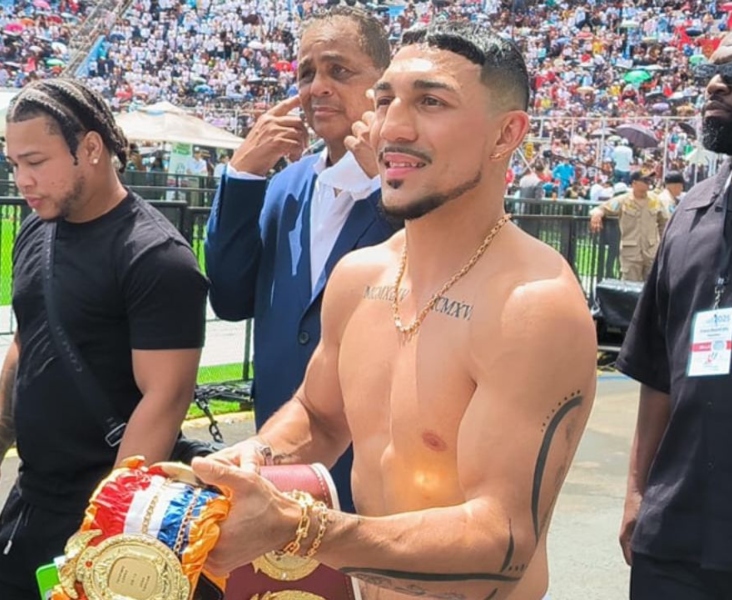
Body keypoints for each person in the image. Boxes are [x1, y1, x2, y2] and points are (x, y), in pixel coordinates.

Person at [194, 23, 597, 600]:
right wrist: (243, 464)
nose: (393, 127)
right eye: (385, 101)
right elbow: (321, 416)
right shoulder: (361, 277)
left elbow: (502, 538)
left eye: (430, 102)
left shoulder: (531, 305)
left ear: (506, 133)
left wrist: (299, 529)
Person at [0, 78, 208, 599]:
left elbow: (166, 398)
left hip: (108, 513)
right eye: (13, 165)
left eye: (35, 162)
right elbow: (25, 346)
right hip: (31, 500)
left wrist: (104, 538)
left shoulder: (157, 256)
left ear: (90, 148)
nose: (23, 180)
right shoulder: (35, 230)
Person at [617, 21, 732, 599]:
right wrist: (637, 493)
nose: (714, 85)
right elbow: (656, 372)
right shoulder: (691, 209)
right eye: (708, 73)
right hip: (675, 538)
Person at [204, 6, 397, 513]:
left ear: (384, 83)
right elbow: (228, 296)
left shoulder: (416, 188)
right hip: (282, 465)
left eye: (338, 70)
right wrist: (242, 177)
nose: (317, 87)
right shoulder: (285, 186)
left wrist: (388, 186)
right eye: (306, 73)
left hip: (380, 473)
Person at [589, 170, 669, 282]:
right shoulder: (624, 201)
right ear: (634, 183)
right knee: (630, 288)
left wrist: (663, 244)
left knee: (652, 289)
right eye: (645, 180)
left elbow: (664, 222)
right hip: (631, 254)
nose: (648, 182)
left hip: (651, 252)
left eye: (650, 180)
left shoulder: (655, 200)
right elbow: (601, 208)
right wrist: (597, 214)